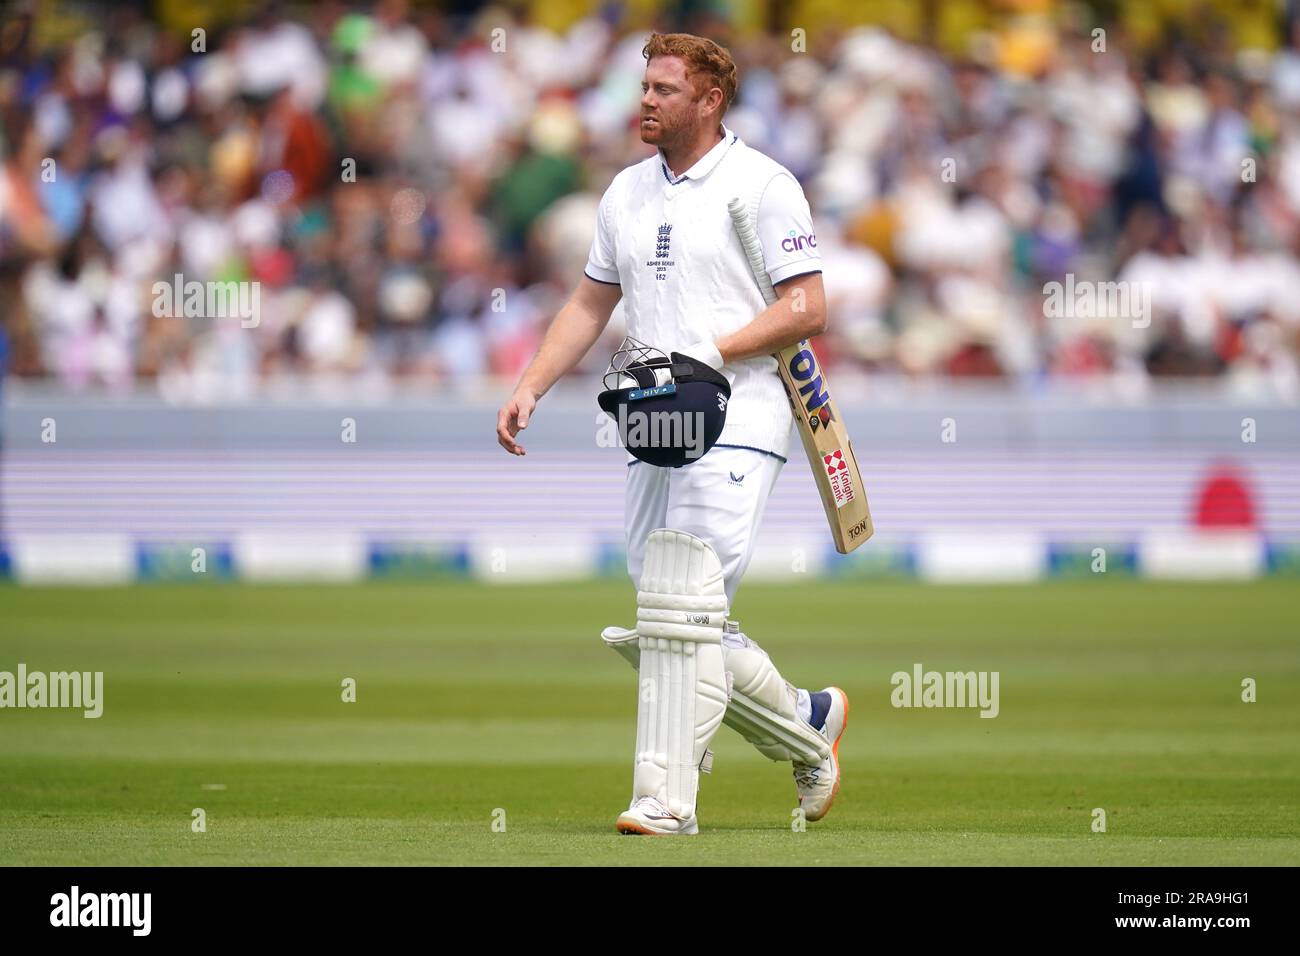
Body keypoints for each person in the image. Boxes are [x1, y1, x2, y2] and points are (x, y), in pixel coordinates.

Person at [495, 32, 847, 836]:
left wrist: (711, 351)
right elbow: (591, 303)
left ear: (709, 99)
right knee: (680, 614)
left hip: (744, 411)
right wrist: (532, 383)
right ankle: (807, 720)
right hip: (653, 419)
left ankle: (666, 800)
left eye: (663, 88)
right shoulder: (624, 191)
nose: (645, 100)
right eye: (643, 86)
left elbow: (809, 307)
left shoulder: (762, 184)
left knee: (681, 603)